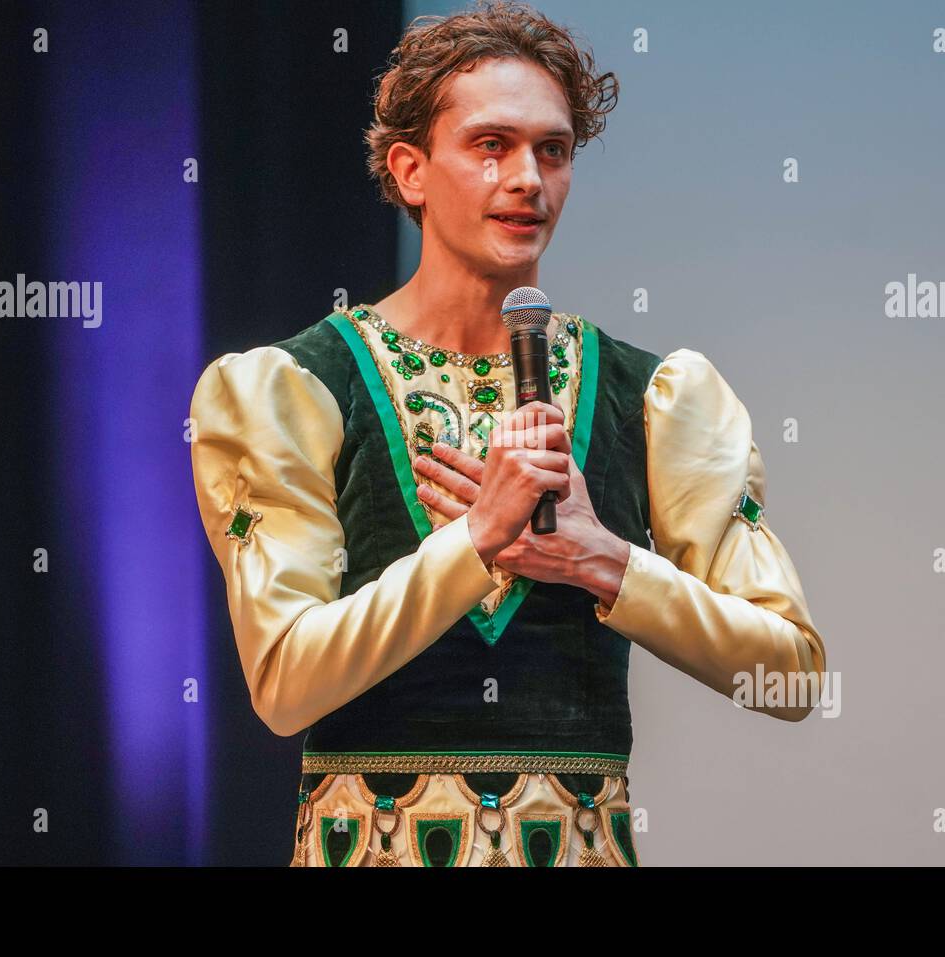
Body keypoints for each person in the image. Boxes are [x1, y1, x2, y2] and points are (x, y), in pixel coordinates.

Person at [189, 0, 826, 867]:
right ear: (411, 171)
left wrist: (600, 559)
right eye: (491, 145)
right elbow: (286, 684)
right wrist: (479, 539)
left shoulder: (657, 395)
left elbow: (791, 674)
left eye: (552, 151)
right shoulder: (292, 389)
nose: (528, 177)